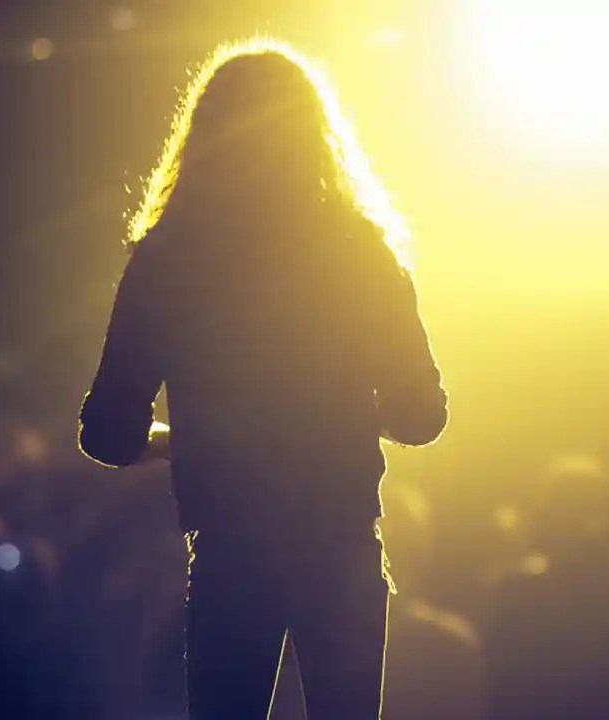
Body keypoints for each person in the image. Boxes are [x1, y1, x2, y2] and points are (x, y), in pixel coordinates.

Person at [77, 37, 447, 719]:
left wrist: (176, 439)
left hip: (230, 555)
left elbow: (106, 431)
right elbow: (423, 416)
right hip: (340, 550)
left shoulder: (167, 260)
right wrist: (341, 413)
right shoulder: (360, 250)